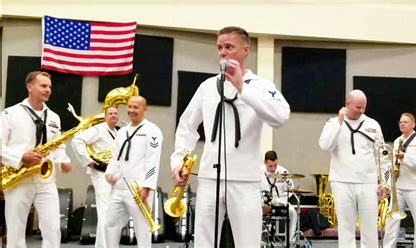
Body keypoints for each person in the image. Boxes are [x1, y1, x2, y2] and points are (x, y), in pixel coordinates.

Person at [170, 26, 290, 247]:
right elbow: (186, 125)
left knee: (248, 242)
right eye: (219, 47)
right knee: (204, 241)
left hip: (245, 179)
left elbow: (281, 116)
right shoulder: (207, 87)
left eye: (229, 47)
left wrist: (243, 89)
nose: (223, 52)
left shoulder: (262, 86)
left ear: (245, 50)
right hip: (209, 178)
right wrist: (179, 160)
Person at [1, 71, 72, 248]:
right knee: (16, 229)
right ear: (29, 87)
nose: (48, 90)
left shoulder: (54, 117)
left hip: (46, 179)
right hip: (18, 178)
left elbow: (57, 146)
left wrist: (63, 159)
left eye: (49, 87)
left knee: (53, 228)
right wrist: (20, 157)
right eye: (43, 86)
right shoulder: (10, 113)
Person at [319, 89, 389, 248]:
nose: (361, 111)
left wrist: (385, 183)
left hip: (367, 182)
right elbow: (325, 145)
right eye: (358, 107)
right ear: (347, 104)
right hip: (341, 181)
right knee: (345, 228)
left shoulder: (373, 124)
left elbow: (382, 156)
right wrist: (339, 122)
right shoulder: (333, 123)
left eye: (364, 107)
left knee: (370, 228)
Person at [104, 96, 163, 248]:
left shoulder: (153, 130)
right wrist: (110, 173)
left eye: (135, 107)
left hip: (139, 190)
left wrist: (147, 186)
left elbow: (153, 161)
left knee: (142, 231)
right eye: (129, 107)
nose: (131, 110)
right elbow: (116, 157)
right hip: (119, 189)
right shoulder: (122, 131)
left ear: (144, 109)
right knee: (110, 224)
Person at [71, 106, 118, 248]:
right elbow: (77, 140)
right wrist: (88, 161)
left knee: (110, 212)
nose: (113, 115)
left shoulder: (116, 131)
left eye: (116, 113)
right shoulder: (98, 129)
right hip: (100, 173)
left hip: (111, 174)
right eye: (110, 113)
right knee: (105, 212)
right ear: (105, 116)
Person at [383, 113, 416, 248]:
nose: (402, 124)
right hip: (399, 187)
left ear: (413, 124)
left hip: (415, 186)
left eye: (405, 122)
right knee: (392, 219)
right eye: (400, 122)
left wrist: (404, 157)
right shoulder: (397, 141)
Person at [262, 150, 298, 241]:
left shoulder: (283, 171)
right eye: (270, 166)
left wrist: (282, 200)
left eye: (275, 165)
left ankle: (291, 241)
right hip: (264, 202)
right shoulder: (259, 172)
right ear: (264, 162)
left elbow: (290, 188)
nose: (273, 169)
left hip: (280, 201)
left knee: (293, 212)